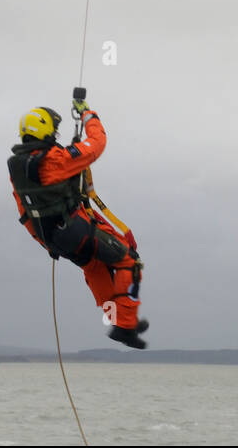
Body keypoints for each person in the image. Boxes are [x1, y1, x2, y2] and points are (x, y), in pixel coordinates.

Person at [8, 103, 148, 349]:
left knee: (95, 267)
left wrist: (44, 242)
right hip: (75, 229)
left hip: (54, 238)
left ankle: (120, 320)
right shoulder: (55, 160)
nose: (55, 137)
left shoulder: (18, 168)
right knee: (128, 261)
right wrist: (88, 115)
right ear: (44, 131)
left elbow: (24, 211)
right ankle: (125, 327)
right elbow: (97, 143)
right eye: (53, 132)